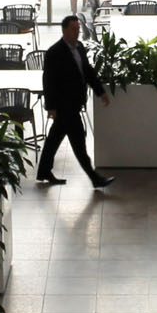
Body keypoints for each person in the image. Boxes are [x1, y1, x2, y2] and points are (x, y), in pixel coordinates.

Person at [36, 15, 116, 188]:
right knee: (79, 143)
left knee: (54, 138)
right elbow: (48, 81)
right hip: (65, 105)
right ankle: (95, 178)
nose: (77, 32)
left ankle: (43, 171)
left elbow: (87, 71)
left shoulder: (79, 48)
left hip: (75, 102)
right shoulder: (54, 52)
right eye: (73, 29)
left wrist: (100, 91)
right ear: (64, 30)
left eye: (78, 29)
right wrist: (51, 106)